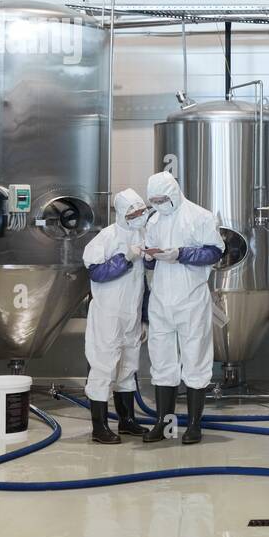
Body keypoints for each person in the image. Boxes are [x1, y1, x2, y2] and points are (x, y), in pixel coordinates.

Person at [141, 171, 224, 445]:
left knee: (195, 360)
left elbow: (214, 251)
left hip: (191, 299)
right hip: (161, 299)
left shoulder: (200, 217)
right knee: (162, 361)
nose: (159, 204)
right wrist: (149, 256)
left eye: (163, 199)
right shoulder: (153, 221)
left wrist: (182, 253)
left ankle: (194, 426)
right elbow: (151, 262)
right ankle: (164, 426)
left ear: (174, 193)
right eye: (154, 200)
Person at [82, 188, 151, 444]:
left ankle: (127, 421)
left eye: (142, 211)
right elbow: (96, 272)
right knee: (104, 368)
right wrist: (126, 258)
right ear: (122, 213)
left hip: (130, 316)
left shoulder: (143, 235)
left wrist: (144, 318)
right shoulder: (105, 237)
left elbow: (144, 283)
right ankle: (99, 427)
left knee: (127, 368)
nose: (139, 216)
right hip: (108, 317)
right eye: (134, 212)